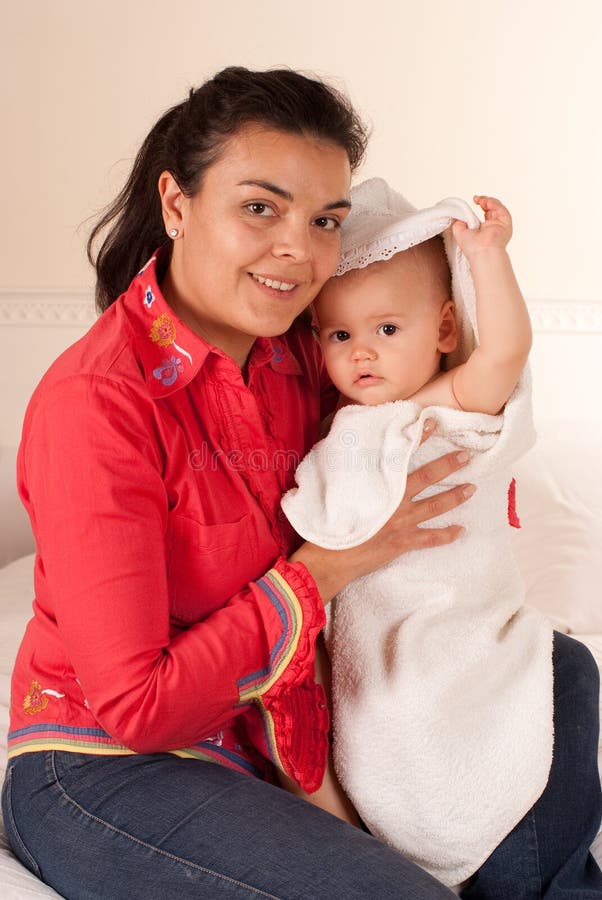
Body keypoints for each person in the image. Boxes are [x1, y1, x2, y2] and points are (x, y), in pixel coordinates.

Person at [0, 66, 598, 900]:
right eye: (260, 207)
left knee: (552, 669)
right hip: (112, 765)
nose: (300, 249)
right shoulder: (97, 405)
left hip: (277, 740)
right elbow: (140, 706)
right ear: (177, 205)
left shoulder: (301, 356)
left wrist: (481, 267)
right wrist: (329, 568)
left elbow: (440, 373)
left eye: (326, 220)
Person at [282, 179, 602, 894]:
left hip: (478, 635)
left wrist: (489, 257)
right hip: (396, 665)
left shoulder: (445, 408)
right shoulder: (335, 437)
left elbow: (506, 353)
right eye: (340, 335)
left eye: (387, 329)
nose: (361, 351)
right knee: (409, 727)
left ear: (446, 330)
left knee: (568, 667)